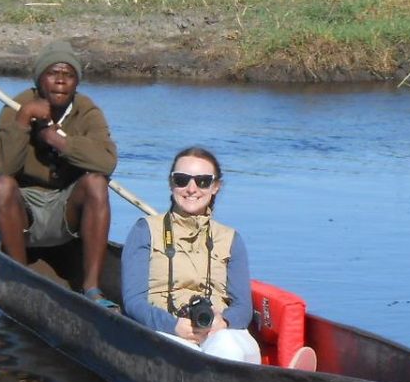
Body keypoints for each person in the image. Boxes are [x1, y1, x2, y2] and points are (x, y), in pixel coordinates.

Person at [121, 146, 317, 369]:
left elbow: (243, 307)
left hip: (222, 333)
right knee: (190, 352)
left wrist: (222, 322)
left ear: (215, 187)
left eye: (203, 181)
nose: (191, 189)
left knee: (226, 345)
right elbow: (133, 302)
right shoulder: (144, 230)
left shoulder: (231, 239)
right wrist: (174, 325)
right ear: (171, 183)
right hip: (167, 332)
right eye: (182, 180)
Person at [0, 40, 116, 301]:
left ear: (76, 83)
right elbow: (3, 167)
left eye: (68, 76)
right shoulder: (17, 106)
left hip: (65, 207)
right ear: (39, 80)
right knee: (0, 186)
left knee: (96, 183)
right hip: (25, 209)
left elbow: (107, 162)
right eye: (53, 74)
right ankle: (21, 275)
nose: (60, 81)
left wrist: (60, 141)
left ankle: (92, 289)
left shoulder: (87, 110)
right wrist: (24, 120)